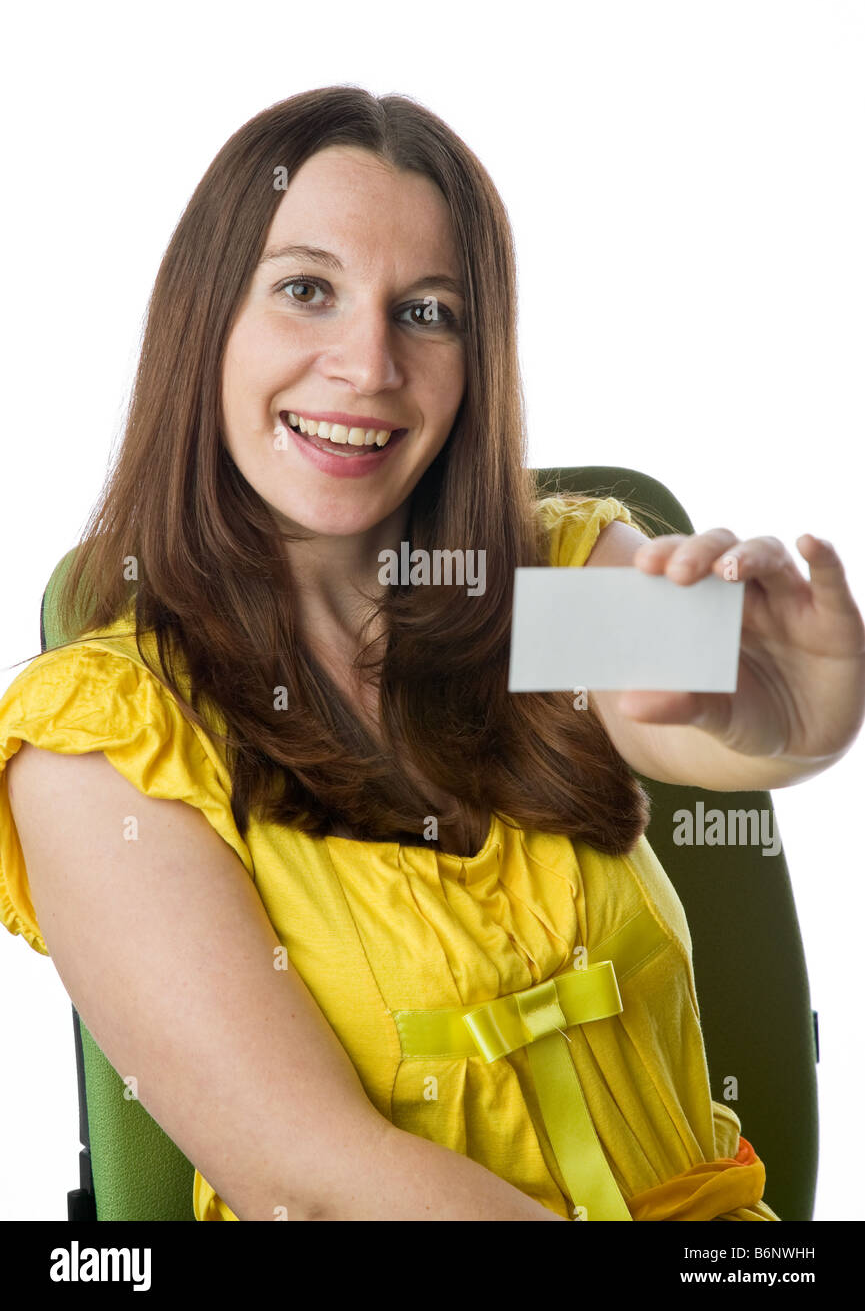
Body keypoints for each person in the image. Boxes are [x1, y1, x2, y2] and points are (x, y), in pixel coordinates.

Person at [1, 87, 862, 1222]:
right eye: (306, 290)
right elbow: (312, 1180)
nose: (367, 365)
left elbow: (691, 718)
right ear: (205, 321)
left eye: (429, 312)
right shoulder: (100, 739)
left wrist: (791, 727)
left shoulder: (541, 583)